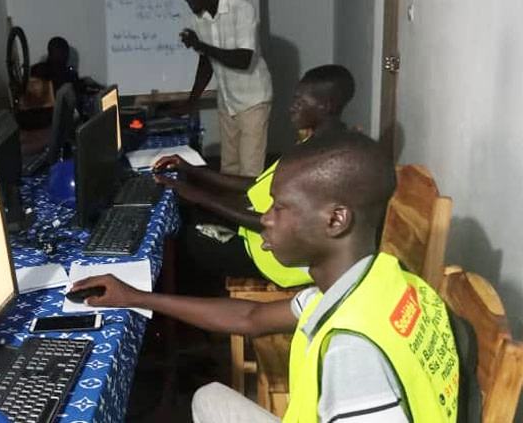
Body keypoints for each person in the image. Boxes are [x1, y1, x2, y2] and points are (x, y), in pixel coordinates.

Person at [71, 132, 460, 422]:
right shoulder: (379, 283)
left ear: (335, 219)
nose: (266, 219)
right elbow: (250, 319)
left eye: (281, 207)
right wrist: (136, 296)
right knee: (208, 398)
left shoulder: (352, 351)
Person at [155, 64, 355, 288]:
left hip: (277, 256)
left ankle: (204, 315)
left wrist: (200, 196)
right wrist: (192, 171)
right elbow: (256, 185)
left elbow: (274, 224)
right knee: (192, 213)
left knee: (187, 241)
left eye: (300, 101)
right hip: (260, 231)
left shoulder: (320, 159)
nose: (291, 108)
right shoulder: (315, 144)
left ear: (324, 106)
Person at [178, 0, 272, 176]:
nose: (188, 0)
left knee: (249, 172)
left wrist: (201, 45)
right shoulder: (198, 19)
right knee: (229, 170)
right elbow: (206, 63)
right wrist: (191, 102)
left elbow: (243, 59)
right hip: (227, 102)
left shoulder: (242, 8)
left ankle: (248, 208)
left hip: (253, 101)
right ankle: (228, 206)